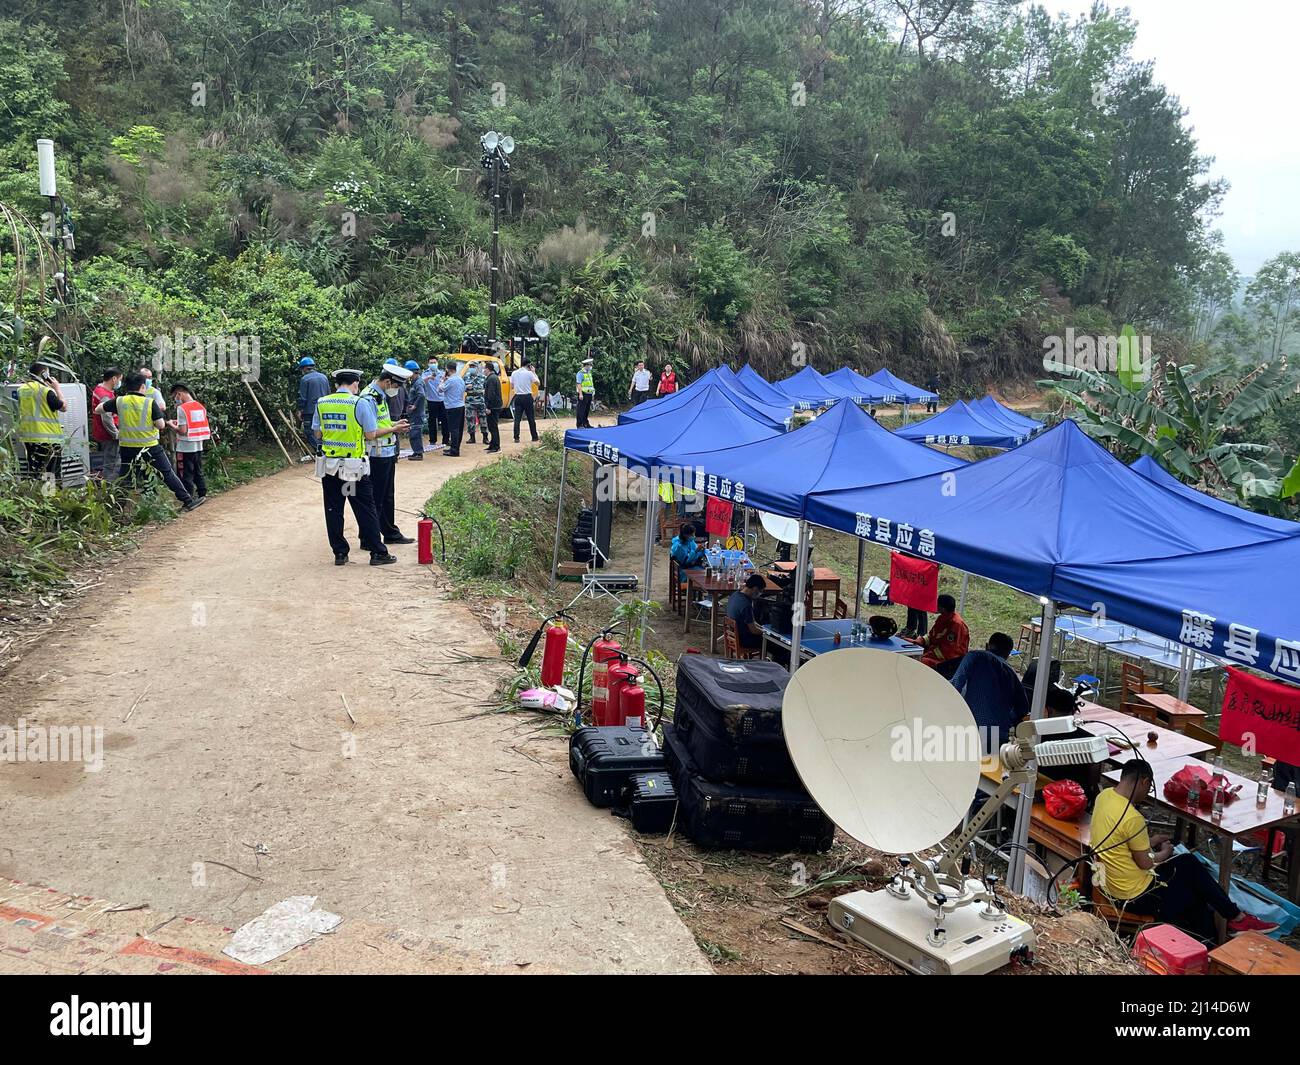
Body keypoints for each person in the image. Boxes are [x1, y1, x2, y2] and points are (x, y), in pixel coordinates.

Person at [1092, 760, 1278, 940]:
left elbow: (1122, 840)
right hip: (1134, 896)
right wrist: (1166, 850)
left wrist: (1151, 840)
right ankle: (1232, 923)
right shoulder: (1132, 818)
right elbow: (1146, 862)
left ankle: (1222, 931)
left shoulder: (1105, 796)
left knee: (1190, 872)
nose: (1147, 794)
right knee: (1192, 881)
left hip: (1110, 884)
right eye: (1148, 789)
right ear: (1144, 782)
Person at [311, 368, 395, 566]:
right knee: (364, 508)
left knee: (334, 509)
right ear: (355, 384)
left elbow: (317, 434)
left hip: (330, 468)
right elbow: (370, 434)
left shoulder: (322, 403)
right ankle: (377, 552)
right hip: (352, 470)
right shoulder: (359, 403)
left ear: (337, 384)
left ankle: (340, 553)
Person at [94, 372, 202, 510]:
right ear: (143, 387)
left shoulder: (119, 401)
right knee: (167, 473)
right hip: (149, 447)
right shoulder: (149, 403)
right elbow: (160, 425)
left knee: (125, 477)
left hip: (127, 446)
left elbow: (98, 410)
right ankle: (187, 500)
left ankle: (116, 508)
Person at [360, 364, 413, 544]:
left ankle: (389, 533)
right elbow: (370, 431)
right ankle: (369, 538)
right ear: (388, 382)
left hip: (386, 452)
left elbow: (379, 422)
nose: (396, 391)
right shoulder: (369, 398)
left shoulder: (380, 396)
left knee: (386, 496)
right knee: (376, 498)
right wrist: (394, 428)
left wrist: (394, 423)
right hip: (377, 454)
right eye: (396, 386)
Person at [949, 632, 1028, 752]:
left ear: (987, 646)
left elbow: (954, 686)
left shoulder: (974, 656)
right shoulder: (1011, 674)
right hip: (999, 737)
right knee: (989, 768)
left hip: (973, 730)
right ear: (1008, 654)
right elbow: (1023, 708)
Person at [15, 361, 66, 482]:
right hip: (48, 439)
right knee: (50, 473)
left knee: (35, 471)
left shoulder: (21, 389)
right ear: (44, 374)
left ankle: (36, 496)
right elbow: (63, 407)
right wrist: (57, 388)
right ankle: (50, 496)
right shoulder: (45, 391)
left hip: (29, 438)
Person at [167, 383, 210, 501]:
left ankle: (189, 497)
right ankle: (202, 492)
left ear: (179, 394)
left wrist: (171, 425)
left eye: (174, 397)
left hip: (185, 446)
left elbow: (182, 430)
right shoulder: (200, 406)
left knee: (185, 473)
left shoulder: (182, 409)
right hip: (198, 445)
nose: (175, 401)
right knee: (198, 470)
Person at [913, 594, 969, 671]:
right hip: (934, 652)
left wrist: (925, 654)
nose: (935, 605)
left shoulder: (956, 625)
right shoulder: (942, 618)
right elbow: (932, 636)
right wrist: (921, 640)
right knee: (907, 642)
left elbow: (947, 651)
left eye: (937, 604)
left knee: (917, 662)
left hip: (948, 661)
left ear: (942, 608)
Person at [90, 367, 122, 480]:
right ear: (114, 378)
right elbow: (106, 418)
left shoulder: (99, 389)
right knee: (111, 464)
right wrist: (116, 434)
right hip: (108, 435)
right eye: (119, 379)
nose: (119, 383)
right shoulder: (105, 395)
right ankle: (109, 488)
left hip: (101, 432)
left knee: (108, 461)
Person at [297, 357, 331, 453]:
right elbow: (328, 393)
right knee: (323, 431)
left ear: (303, 368)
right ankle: (326, 450)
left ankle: (321, 451)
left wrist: (300, 410)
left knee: (309, 432)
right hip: (324, 410)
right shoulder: (324, 377)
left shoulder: (304, 379)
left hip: (310, 411)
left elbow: (302, 397)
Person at [727, 573, 767, 651]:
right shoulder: (746, 605)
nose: (759, 594)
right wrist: (767, 634)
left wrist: (763, 629)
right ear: (755, 589)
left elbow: (752, 622)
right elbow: (754, 630)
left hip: (734, 635)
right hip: (743, 639)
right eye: (760, 592)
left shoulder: (735, 595)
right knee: (773, 645)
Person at [438, 360, 466, 456]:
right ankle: (456, 447)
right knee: (459, 428)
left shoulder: (450, 380)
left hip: (452, 407)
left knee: (453, 429)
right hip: (461, 405)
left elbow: (440, 389)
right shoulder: (460, 379)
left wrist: (442, 380)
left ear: (447, 369)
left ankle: (454, 450)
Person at [510, 359, 540, 443]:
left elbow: (512, 386)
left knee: (517, 418)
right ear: (529, 365)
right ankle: (534, 437)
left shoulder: (514, 373)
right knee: (530, 417)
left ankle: (516, 437)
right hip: (527, 397)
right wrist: (534, 372)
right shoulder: (529, 373)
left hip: (518, 397)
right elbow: (538, 383)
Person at [403, 360, 426, 460]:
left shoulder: (418, 383)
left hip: (417, 413)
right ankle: (416, 452)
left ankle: (418, 453)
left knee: (415, 433)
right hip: (414, 413)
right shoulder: (415, 382)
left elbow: (421, 395)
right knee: (414, 432)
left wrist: (415, 406)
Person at [422, 356, 446, 449]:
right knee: (432, 421)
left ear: (437, 363)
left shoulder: (442, 373)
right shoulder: (425, 373)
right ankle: (432, 440)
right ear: (428, 364)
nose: (433, 364)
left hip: (442, 400)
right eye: (431, 363)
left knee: (444, 420)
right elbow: (421, 382)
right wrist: (429, 377)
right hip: (431, 400)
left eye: (434, 362)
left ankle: (446, 439)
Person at [464, 361, 488, 444]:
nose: (472, 368)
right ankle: (472, 437)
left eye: (473, 366)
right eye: (470, 366)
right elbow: (462, 387)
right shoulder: (466, 377)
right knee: (470, 419)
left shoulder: (483, 377)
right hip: (470, 400)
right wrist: (466, 387)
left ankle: (485, 437)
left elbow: (486, 388)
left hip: (480, 400)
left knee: (483, 418)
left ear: (477, 367)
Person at [483, 362, 503, 453]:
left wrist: (488, 407)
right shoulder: (493, 377)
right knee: (491, 426)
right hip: (495, 405)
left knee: (493, 426)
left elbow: (490, 394)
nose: (483, 370)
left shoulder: (491, 379)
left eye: (484, 369)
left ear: (487, 369)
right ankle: (492, 444)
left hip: (493, 406)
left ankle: (496, 446)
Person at [575, 355, 595, 428]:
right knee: (581, 410)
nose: (591, 366)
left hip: (589, 393)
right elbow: (579, 384)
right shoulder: (580, 373)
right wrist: (580, 394)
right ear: (586, 365)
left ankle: (586, 423)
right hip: (583, 393)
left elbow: (591, 383)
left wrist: (593, 392)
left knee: (586, 410)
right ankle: (579, 424)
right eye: (590, 364)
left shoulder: (589, 373)